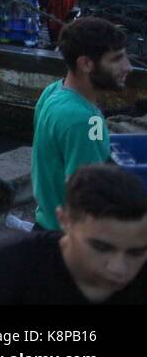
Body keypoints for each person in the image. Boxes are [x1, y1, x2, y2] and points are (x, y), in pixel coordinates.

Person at [0, 164, 147, 304]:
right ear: (64, 221)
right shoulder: (7, 265)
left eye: (136, 253)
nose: (119, 268)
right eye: (101, 247)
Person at [32, 16, 130, 231]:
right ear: (86, 63)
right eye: (116, 59)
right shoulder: (84, 120)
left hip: (46, 222)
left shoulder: (54, 91)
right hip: (71, 238)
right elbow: (86, 194)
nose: (128, 67)